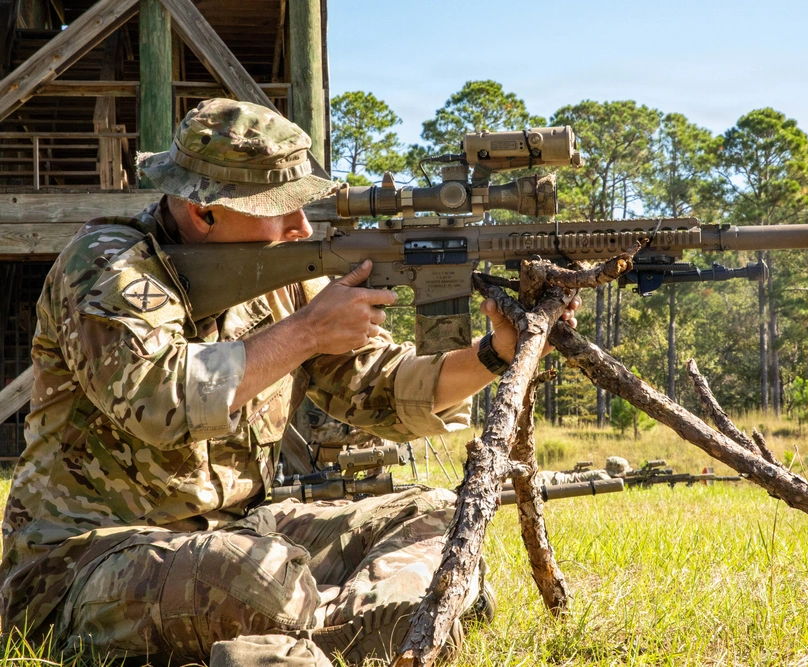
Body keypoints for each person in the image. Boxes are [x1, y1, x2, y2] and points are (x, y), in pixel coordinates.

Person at [0, 99, 579, 665]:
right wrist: (304, 332)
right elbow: (160, 402)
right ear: (204, 212)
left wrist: (494, 353)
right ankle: (367, 626)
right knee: (251, 577)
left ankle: (323, 633)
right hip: (81, 563)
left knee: (437, 515)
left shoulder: (279, 276)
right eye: (282, 207)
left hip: (243, 531)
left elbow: (376, 387)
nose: (302, 225)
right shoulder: (107, 266)